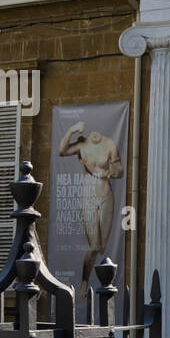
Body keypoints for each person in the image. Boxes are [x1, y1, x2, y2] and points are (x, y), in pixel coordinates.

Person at [57, 118, 123, 299]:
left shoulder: (109, 144)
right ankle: (84, 283)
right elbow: (62, 151)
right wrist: (71, 130)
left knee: (102, 246)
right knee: (94, 246)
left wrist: (110, 172)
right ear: (81, 161)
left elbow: (120, 170)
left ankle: (106, 285)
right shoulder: (81, 145)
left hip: (106, 196)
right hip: (88, 197)